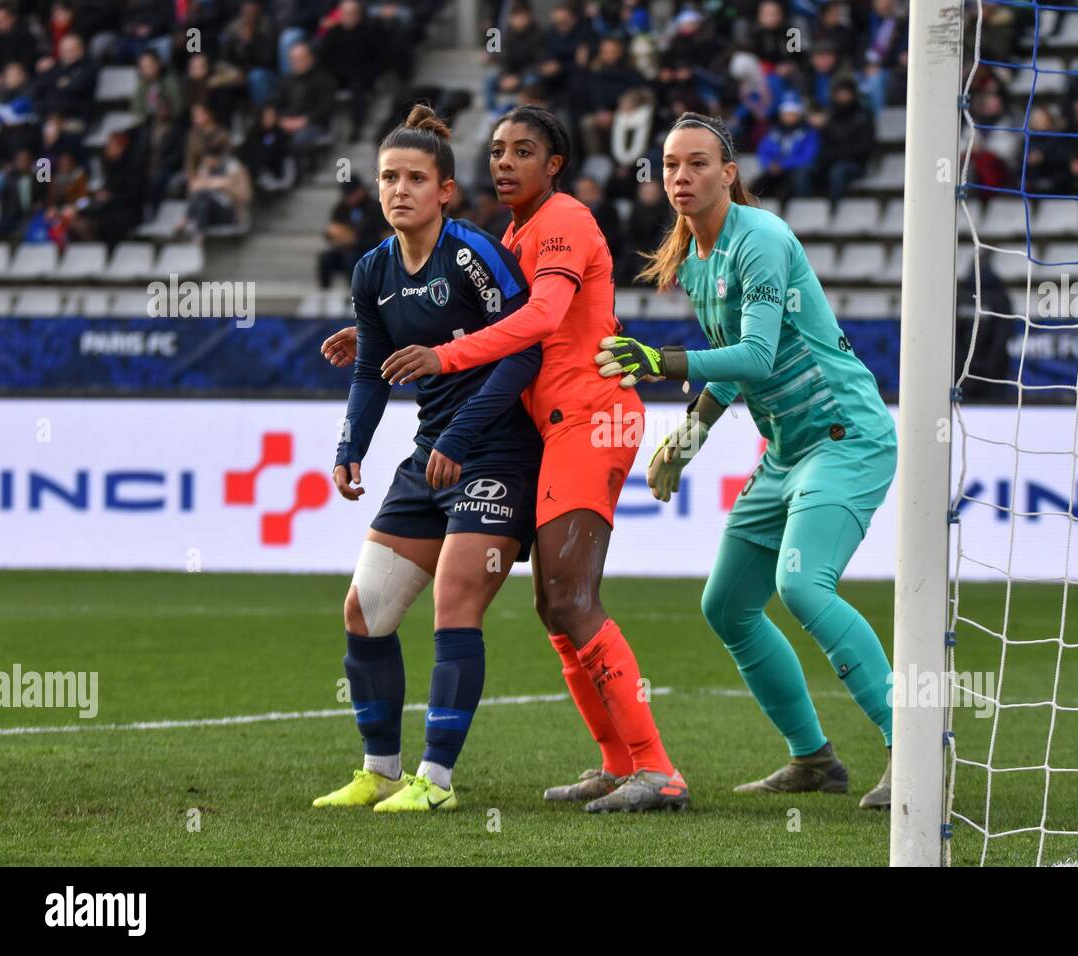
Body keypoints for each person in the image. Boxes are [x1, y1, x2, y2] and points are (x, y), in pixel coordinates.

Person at [321, 104, 689, 813]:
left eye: (524, 151)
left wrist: (442, 353)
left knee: (571, 598)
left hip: (593, 417)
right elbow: (472, 307)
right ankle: (617, 763)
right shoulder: (513, 235)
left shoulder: (566, 222)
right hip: (549, 428)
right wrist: (381, 327)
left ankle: (657, 767)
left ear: (556, 165)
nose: (505, 163)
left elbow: (541, 321)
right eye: (497, 151)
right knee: (555, 605)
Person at [596, 112, 896, 809]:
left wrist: (657, 361)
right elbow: (735, 371)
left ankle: (913, 749)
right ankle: (814, 759)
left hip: (844, 436)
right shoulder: (696, 259)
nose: (681, 176)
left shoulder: (759, 239)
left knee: (801, 586)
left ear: (728, 174)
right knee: (727, 605)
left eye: (698, 163)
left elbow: (757, 355)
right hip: (789, 449)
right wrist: (690, 439)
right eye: (671, 164)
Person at [311, 104, 544, 814]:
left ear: (445, 190)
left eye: (415, 177)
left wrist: (461, 437)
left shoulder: (470, 254)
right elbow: (371, 369)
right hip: (431, 454)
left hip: (495, 453)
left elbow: (524, 347)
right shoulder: (373, 269)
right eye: (388, 177)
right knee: (365, 610)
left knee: (454, 601)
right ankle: (380, 771)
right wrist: (351, 447)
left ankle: (435, 781)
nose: (399, 189)